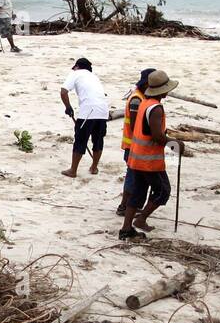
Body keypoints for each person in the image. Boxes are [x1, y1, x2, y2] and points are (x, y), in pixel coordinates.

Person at [120, 70, 182, 240]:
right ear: (162, 90)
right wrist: (175, 144)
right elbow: (157, 136)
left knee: (138, 192)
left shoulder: (144, 103)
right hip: (149, 160)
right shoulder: (156, 108)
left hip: (136, 156)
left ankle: (126, 229)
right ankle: (141, 219)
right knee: (163, 191)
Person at [60, 58, 109, 177]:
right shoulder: (94, 76)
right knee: (98, 140)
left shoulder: (76, 73)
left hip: (88, 112)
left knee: (80, 140)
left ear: (77, 66)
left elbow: (63, 91)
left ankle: (73, 170)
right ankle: (94, 167)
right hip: (103, 111)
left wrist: (68, 107)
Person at [116, 68, 155, 217]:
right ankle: (124, 206)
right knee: (133, 177)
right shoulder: (137, 99)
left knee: (135, 177)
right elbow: (135, 125)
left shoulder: (140, 97)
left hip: (135, 145)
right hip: (133, 146)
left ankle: (129, 205)